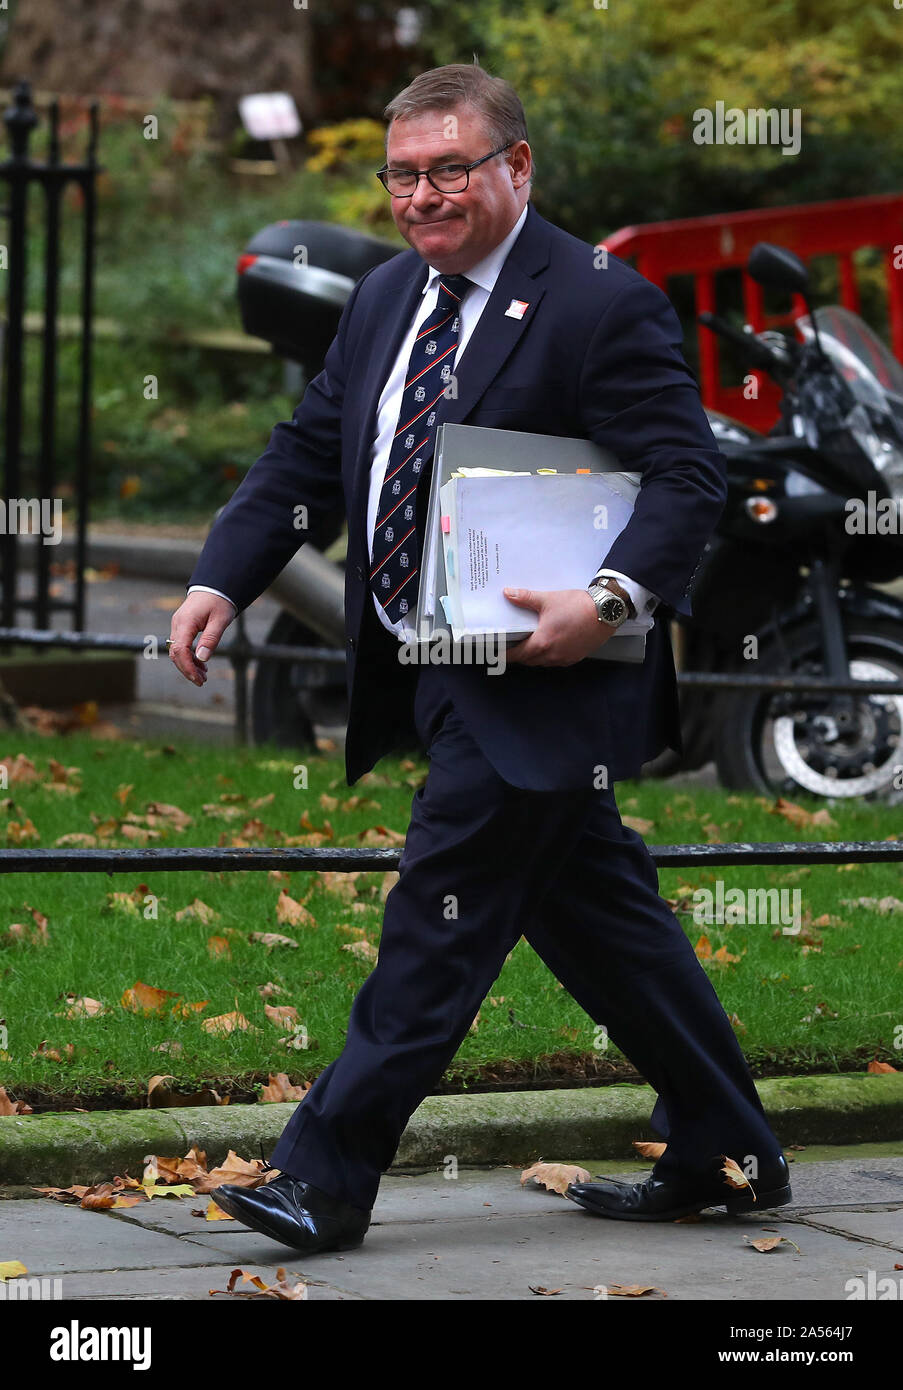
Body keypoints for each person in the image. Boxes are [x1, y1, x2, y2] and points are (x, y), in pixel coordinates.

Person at [168, 63, 790, 1253]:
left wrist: (610, 600)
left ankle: (323, 1177)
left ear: (516, 168)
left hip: (547, 676)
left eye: (450, 168)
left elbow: (688, 474)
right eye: (403, 173)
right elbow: (307, 454)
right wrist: (217, 577)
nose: (422, 195)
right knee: (605, 924)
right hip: (427, 660)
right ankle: (731, 1149)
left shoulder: (602, 299)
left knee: (436, 924)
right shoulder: (388, 294)